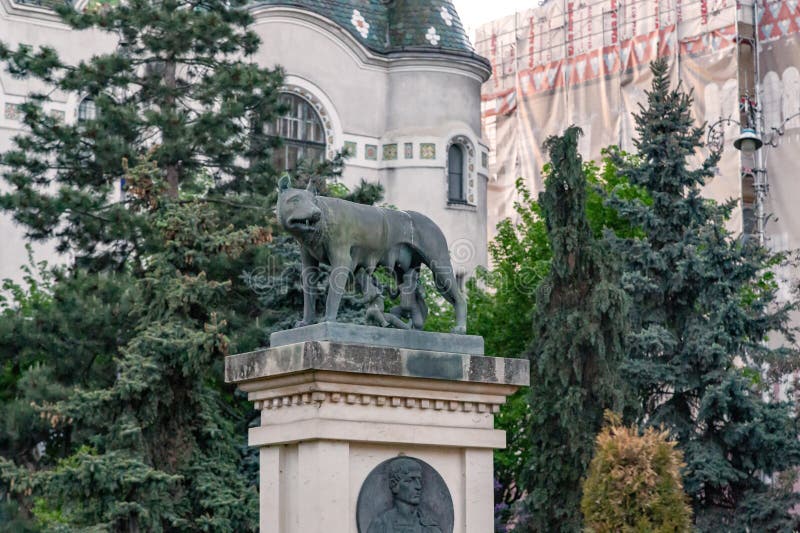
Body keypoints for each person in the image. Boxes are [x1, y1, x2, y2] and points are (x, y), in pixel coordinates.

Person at [367, 458, 442, 533]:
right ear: (394, 485)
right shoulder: (380, 525)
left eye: (419, 480)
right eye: (410, 480)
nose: (418, 486)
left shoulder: (430, 528)